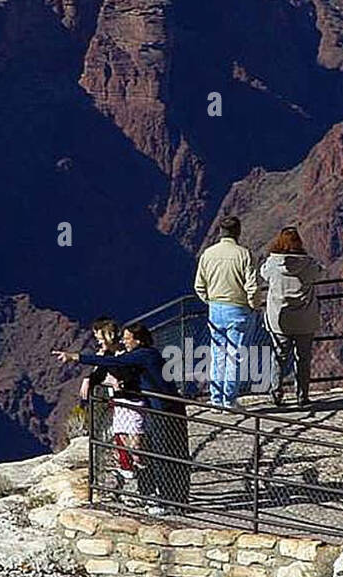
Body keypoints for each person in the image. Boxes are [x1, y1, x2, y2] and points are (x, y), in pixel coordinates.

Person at [55, 322, 190, 514]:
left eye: (128, 339)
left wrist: (77, 357)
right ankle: (174, 499)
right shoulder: (145, 355)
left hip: (164, 410)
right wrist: (91, 377)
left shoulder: (144, 355)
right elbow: (118, 368)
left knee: (164, 455)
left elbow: (117, 363)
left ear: (138, 340)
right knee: (166, 454)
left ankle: (170, 502)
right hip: (163, 408)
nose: (124, 342)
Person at [193, 215, 258, 408]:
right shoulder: (244, 254)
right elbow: (252, 287)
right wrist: (253, 306)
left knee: (218, 354)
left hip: (215, 309)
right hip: (238, 309)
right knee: (234, 356)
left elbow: (199, 285)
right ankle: (229, 400)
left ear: (220, 231)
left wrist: (210, 301)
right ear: (238, 231)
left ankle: (216, 398)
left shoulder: (208, 254)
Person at [260, 226, 323, 407]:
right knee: (303, 359)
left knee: (279, 357)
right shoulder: (309, 265)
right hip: (305, 319)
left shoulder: (272, 264)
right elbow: (321, 272)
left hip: (279, 320)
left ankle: (276, 393)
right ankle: (302, 395)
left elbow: (262, 273)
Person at [79, 318, 143, 486]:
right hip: (119, 401)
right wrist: (89, 379)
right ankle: (127, 467)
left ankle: (143, 466)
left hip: (134, 401)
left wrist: (116, 380)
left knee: (136, 442)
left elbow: (129, 375)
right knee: (120, 435)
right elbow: (100, 373)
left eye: (100, 338)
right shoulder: (107, 355)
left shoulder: (127, 354)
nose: (98, 342)